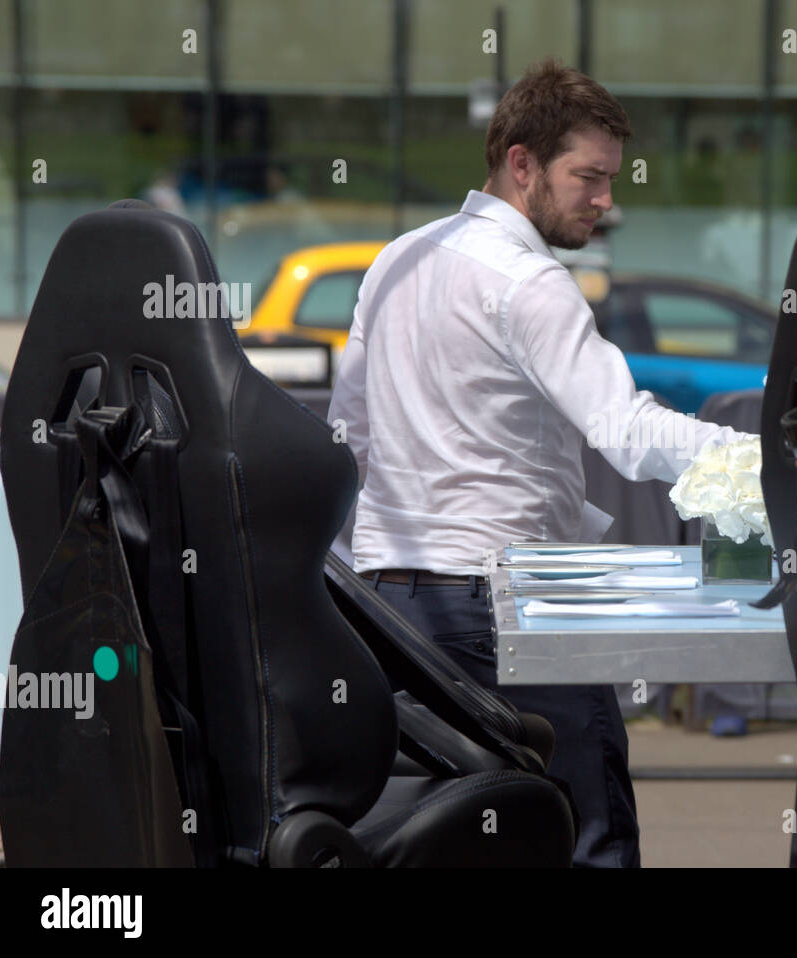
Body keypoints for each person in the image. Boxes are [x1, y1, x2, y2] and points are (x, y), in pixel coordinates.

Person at [326, 58, 750, 868]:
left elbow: (350, 432)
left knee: (449, 841)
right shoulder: (531, 283)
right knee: (585, 831)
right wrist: (764, 459)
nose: (606, 200)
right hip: (510, 607)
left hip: (393, 610)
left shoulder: (394, 262)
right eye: (588, 177)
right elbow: (623, 429)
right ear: (521, 164)